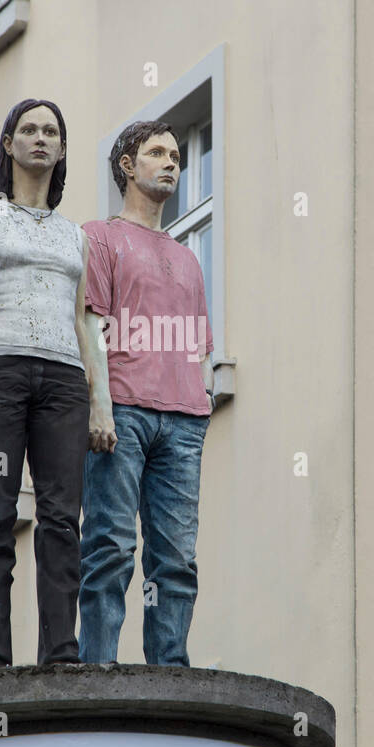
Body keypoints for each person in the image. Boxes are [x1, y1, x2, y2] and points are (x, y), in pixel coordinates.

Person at [0, 98, 101, 669]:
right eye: (28, 129)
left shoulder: (76, 236)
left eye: (51, 132)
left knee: (62, 518)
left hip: (63, 379)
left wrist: (99, 404)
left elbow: (86, 320)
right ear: (9, 143)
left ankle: (61, 652)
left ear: (61, 150)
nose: (40, 138)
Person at [78, 120, 214, 667]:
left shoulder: (187, 257)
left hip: (184, 418)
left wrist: (200, 403)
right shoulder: (100, 237)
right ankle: (99, 668)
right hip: (124, 410)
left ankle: (170, 670)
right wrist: (100, 407)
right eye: (156, 152)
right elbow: (90, 327)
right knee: (111, 546)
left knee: (176, 558)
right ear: (127, 166)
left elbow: (197, 345)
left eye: (176, 155)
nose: (171, 162)